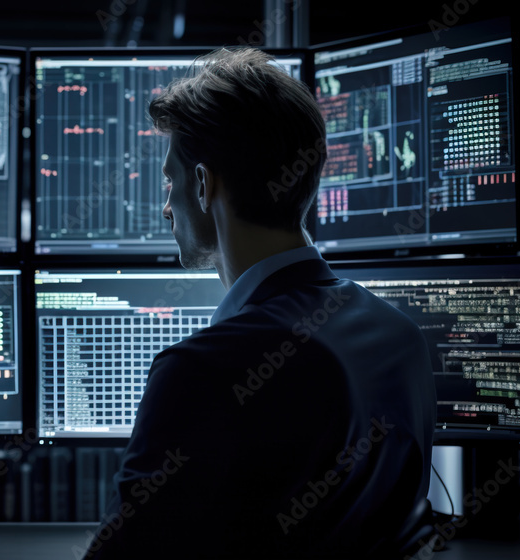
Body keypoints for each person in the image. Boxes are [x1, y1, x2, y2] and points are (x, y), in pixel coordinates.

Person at [83, 47, 436, 559]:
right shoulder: (401, 337)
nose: (165, 208)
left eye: (169, 181)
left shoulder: (201, 369)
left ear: (203, 185)